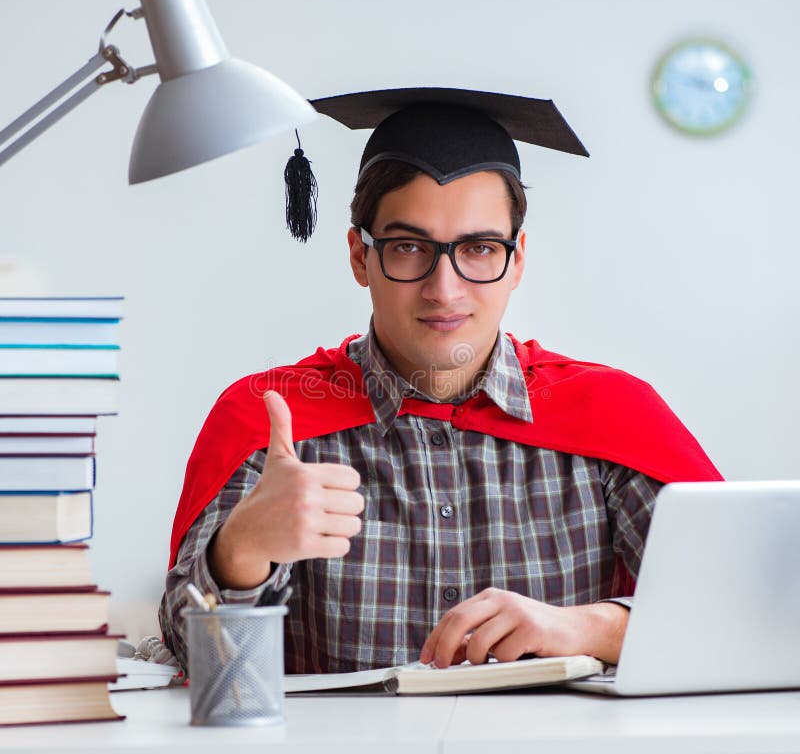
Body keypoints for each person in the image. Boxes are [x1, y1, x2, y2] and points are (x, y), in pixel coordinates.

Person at [159, 88, 721, 675]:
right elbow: (201, 664)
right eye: (408, 247)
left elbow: (746, 612)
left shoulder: (611, 414)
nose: (444, 289)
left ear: (518, 258)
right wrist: (240, 553)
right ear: (359, 256)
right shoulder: (271, 421)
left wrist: (590, 626)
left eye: (479, 249)